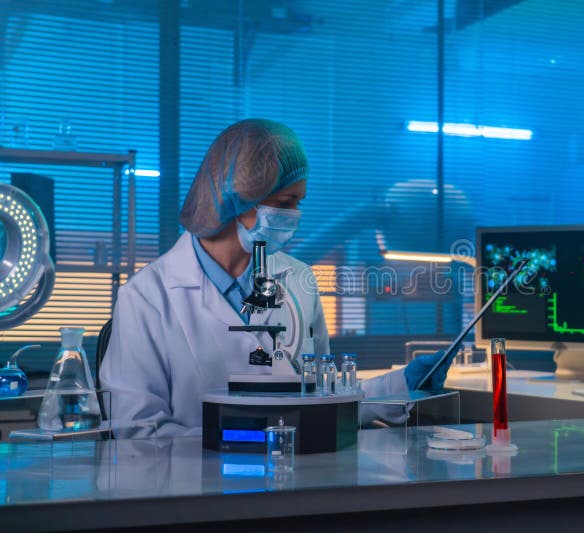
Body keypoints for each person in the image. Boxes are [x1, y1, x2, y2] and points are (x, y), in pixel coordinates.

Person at [99, 118, 454, 436]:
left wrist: (401, 386)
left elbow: (323, 398)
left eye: (299, 202)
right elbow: (138, 432)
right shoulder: (147, 297)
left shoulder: (298, 279)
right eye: (285, 203)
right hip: (198, 497)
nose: (294, 215)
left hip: (298, 485)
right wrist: (254, 438)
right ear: (235, 197)